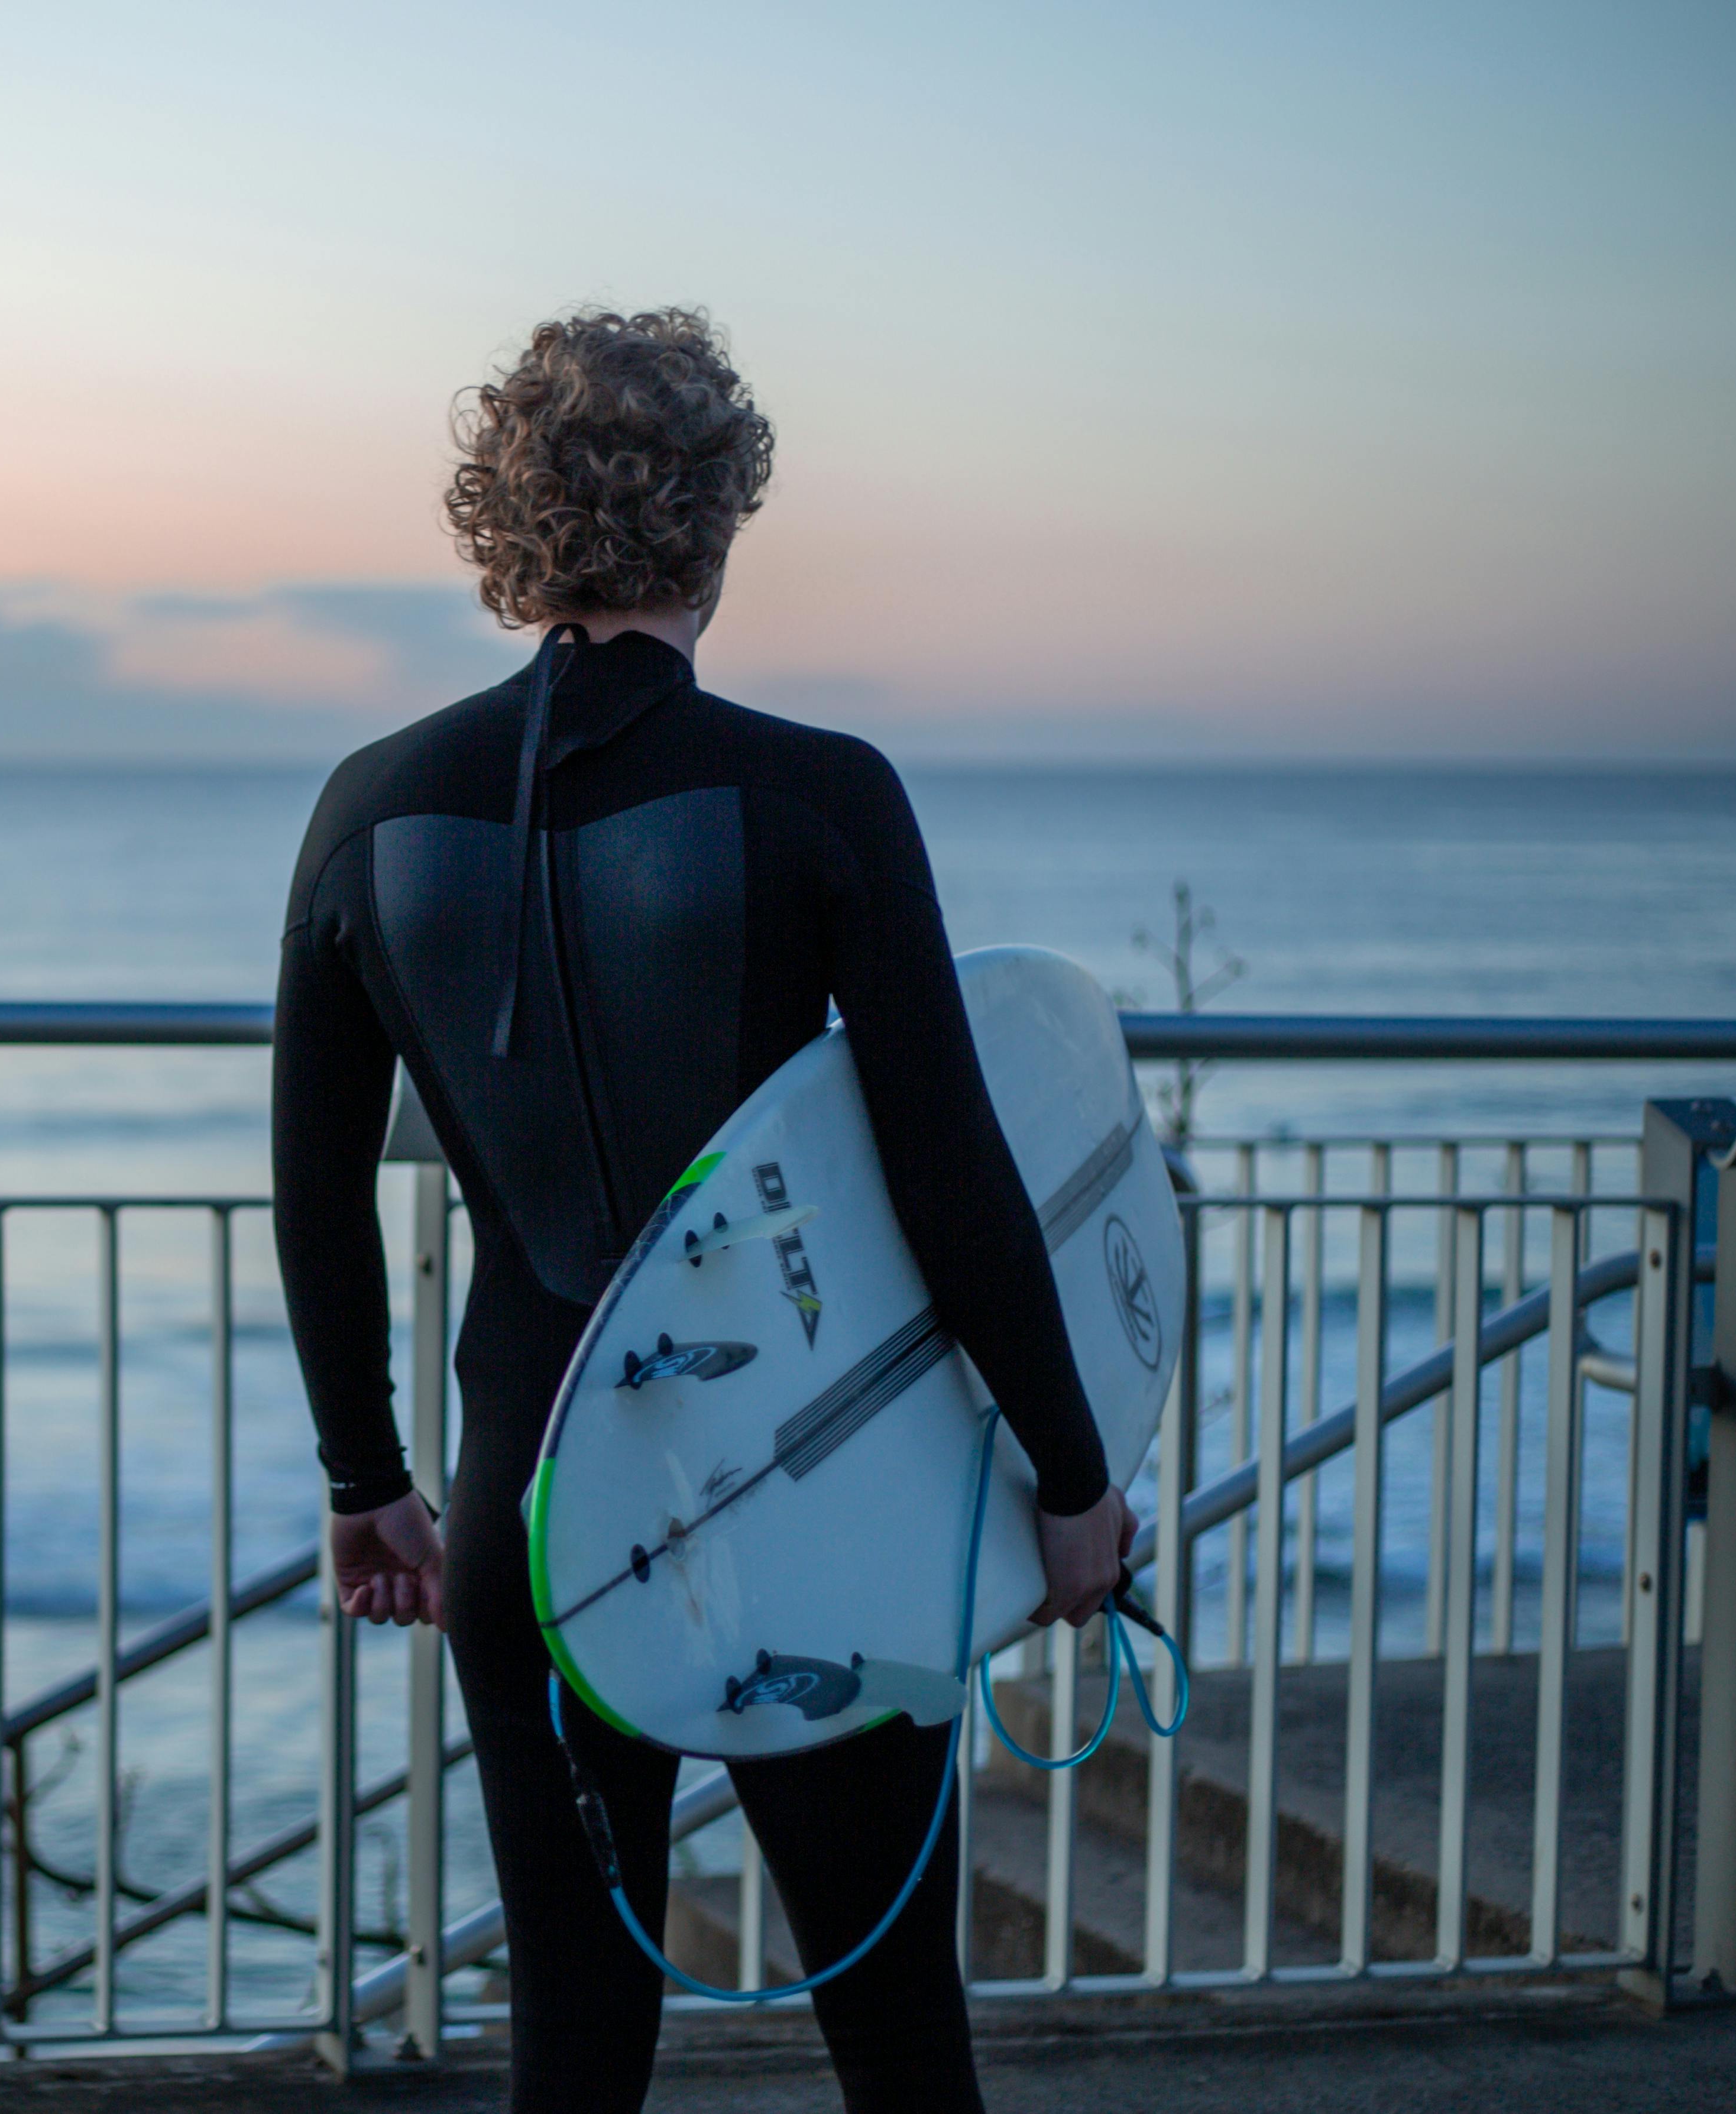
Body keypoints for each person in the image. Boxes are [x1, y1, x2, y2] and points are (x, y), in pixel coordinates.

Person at [270, 307, 1137, 2114]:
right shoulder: (818, 797)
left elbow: (315, 1188)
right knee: (895, 2043)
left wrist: (368, 1482)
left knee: (575, 2059)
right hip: (806, 1515)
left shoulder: (366, 814)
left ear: (498, 527)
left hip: (525, 1519)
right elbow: (946, 1167)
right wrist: (1071, 1479)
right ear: (723, 516)